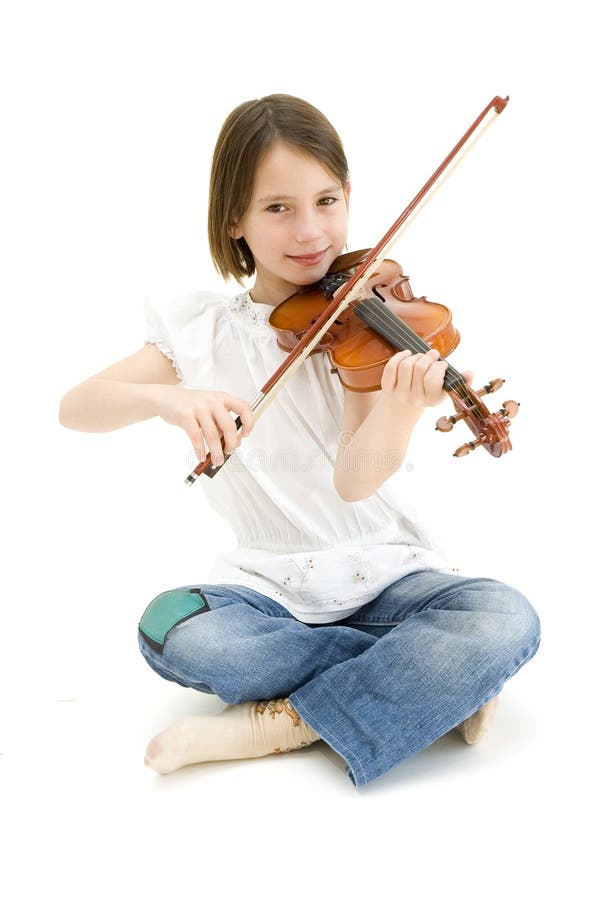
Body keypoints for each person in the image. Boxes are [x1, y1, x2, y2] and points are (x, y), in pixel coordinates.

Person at [58, 94, 541, 788]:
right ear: (234, 220)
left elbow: (354, 479)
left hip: (391, 580)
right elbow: (78, 408)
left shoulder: (364, 326)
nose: (310, 230)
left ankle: (280, 723)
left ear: (348, 197)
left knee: (502, 616)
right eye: (277, 208)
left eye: (325, 200)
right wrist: (169, 397)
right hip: (269, 591)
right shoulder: (200, 331)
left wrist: (399, 412)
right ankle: (429, 682)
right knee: (172, 625)